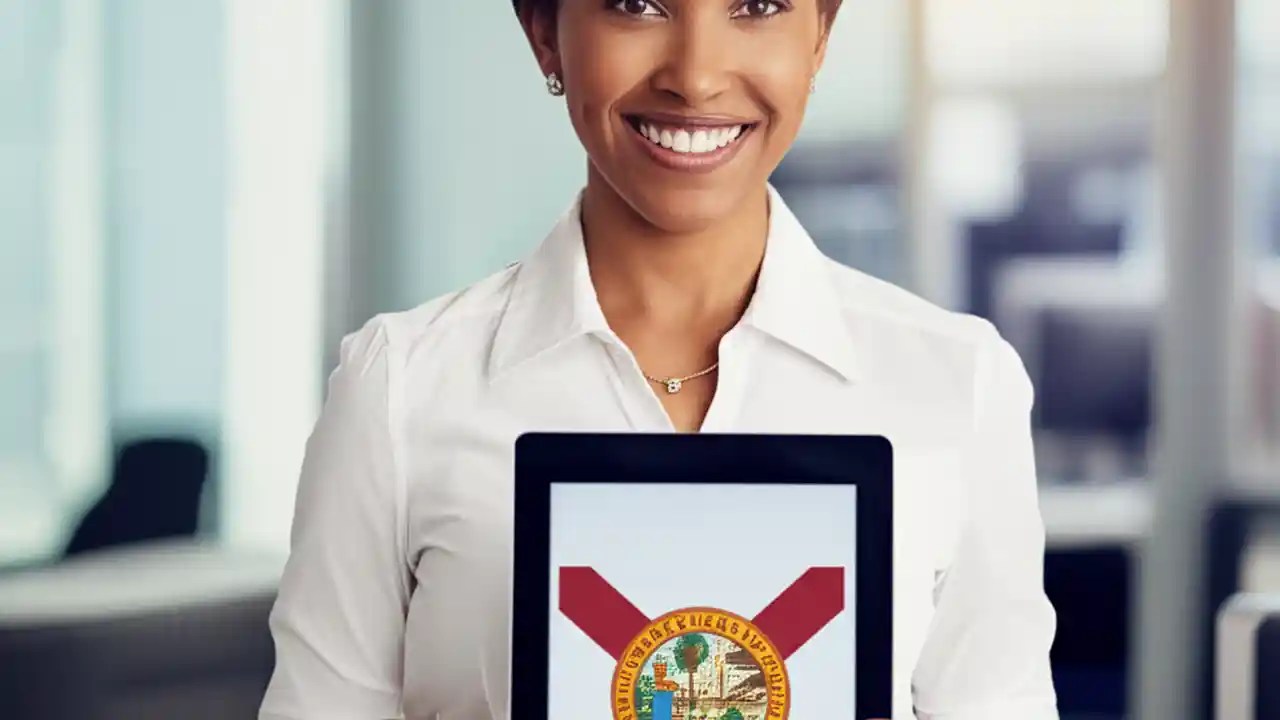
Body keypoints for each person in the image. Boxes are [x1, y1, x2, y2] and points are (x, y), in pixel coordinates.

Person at [259, 1, 1059, 718]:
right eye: (637, 4)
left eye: (757, 5)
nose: (698, 75)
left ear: (820, 36)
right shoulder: (400, 390)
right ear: (545, 33)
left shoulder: (959, 386)